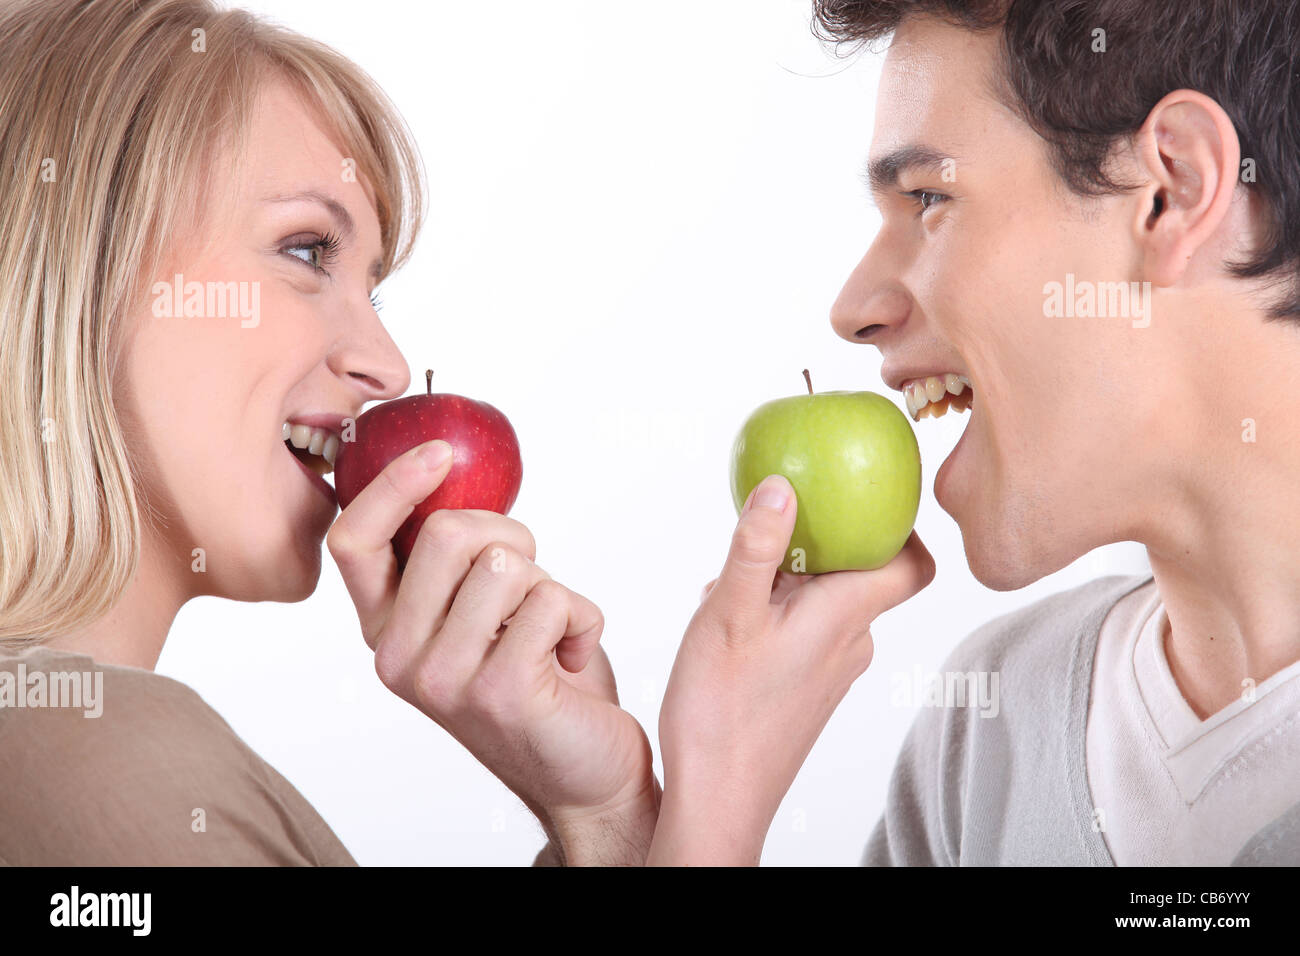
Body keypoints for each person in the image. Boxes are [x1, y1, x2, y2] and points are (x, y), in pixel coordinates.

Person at [0, 0, 935, 866]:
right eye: (303, 250)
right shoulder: (95, 756)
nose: (388, 366)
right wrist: (721, 794)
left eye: (372, 285)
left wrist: (601, 813)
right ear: (72, 257)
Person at [657, 0, 1300, 865]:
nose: (853, 311)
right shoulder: (983, 735)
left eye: (929, 197)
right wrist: (687, 822)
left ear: (1172, 191)